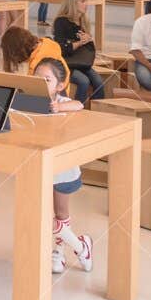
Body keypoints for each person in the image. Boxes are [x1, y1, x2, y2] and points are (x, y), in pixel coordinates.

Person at [34, 57, 93, 274]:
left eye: (47, 80)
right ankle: (79, 247)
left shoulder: (60, 101)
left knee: (60, 214)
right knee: (40, 213)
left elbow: (78, 104)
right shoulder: (30, 100)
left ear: (59, 86)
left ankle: (62, 251)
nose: (41, 84)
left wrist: (59, 107)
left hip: (63, 170)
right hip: (40, 167)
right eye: (36, 78)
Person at [52, 0, 104, 105]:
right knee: (83, 81)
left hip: (81, 62)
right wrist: (80, 42)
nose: (87, 4)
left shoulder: (83, 21)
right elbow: (61, 48)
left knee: (99, 81)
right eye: (83, 1)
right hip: (67, 63)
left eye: (86, 1)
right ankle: (77, 108)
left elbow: (90, 49)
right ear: (73, 3)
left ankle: (98, 109)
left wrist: (89, 39)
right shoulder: (61, 22)